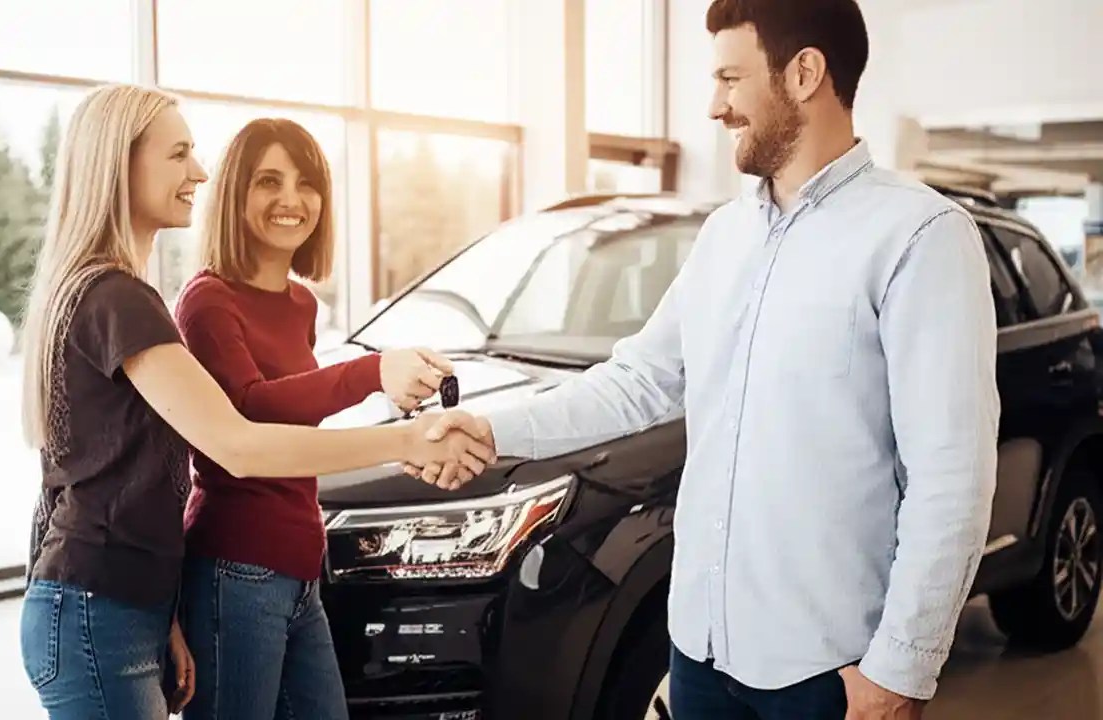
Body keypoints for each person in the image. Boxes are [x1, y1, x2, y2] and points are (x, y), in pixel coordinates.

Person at [412, 0, 1000, 718]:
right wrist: (490, 431)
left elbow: (951, 478)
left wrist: (899, 672)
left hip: (829, 671)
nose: (715, 105)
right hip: (700, 653)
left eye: (730, 78)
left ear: (805, 72)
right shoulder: (725, 236)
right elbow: (639, 382)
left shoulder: (920, 235)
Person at [17, 84, 494, 720]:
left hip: (116, 604)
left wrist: (168, 616)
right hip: (94, 610)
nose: (199, 172)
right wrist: (403, 438)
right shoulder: (122, 299)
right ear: (118, 162)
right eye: (179, 153)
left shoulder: (111, 293)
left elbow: (83, 482)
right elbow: (239, 443)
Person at [172, 117, 461, 719]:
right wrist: (369, 372)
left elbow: (296, 404)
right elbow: (249, 413)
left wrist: (392, 392)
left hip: (302, 568)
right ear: (234, 194)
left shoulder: (301, 303)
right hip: (236, 569)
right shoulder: (207, 301)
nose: (290, 200)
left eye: (306, 183)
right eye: (268, 181)